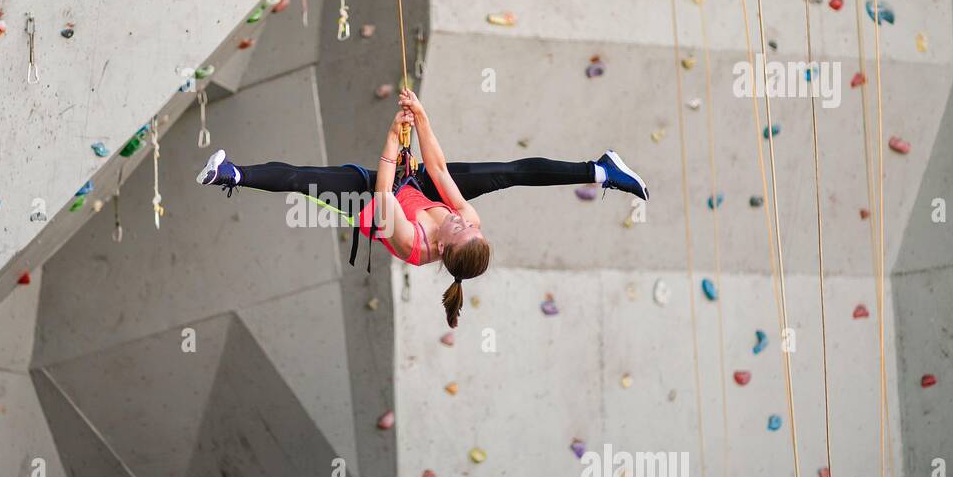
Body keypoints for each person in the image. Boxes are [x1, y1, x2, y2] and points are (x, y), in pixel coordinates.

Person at [196, 89, 648, 327]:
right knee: (507, 172)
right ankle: (601, 170)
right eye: (471, 225)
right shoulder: (465, 221)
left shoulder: (413, 242)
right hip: (419, 186)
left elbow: (383, 192)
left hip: (376, 200)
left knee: (303, 179)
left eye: (462, 229)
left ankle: (231, 174)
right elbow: (439, 169)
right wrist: (422, 116)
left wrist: (394, 139)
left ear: (445, 247)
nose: (464, 220)